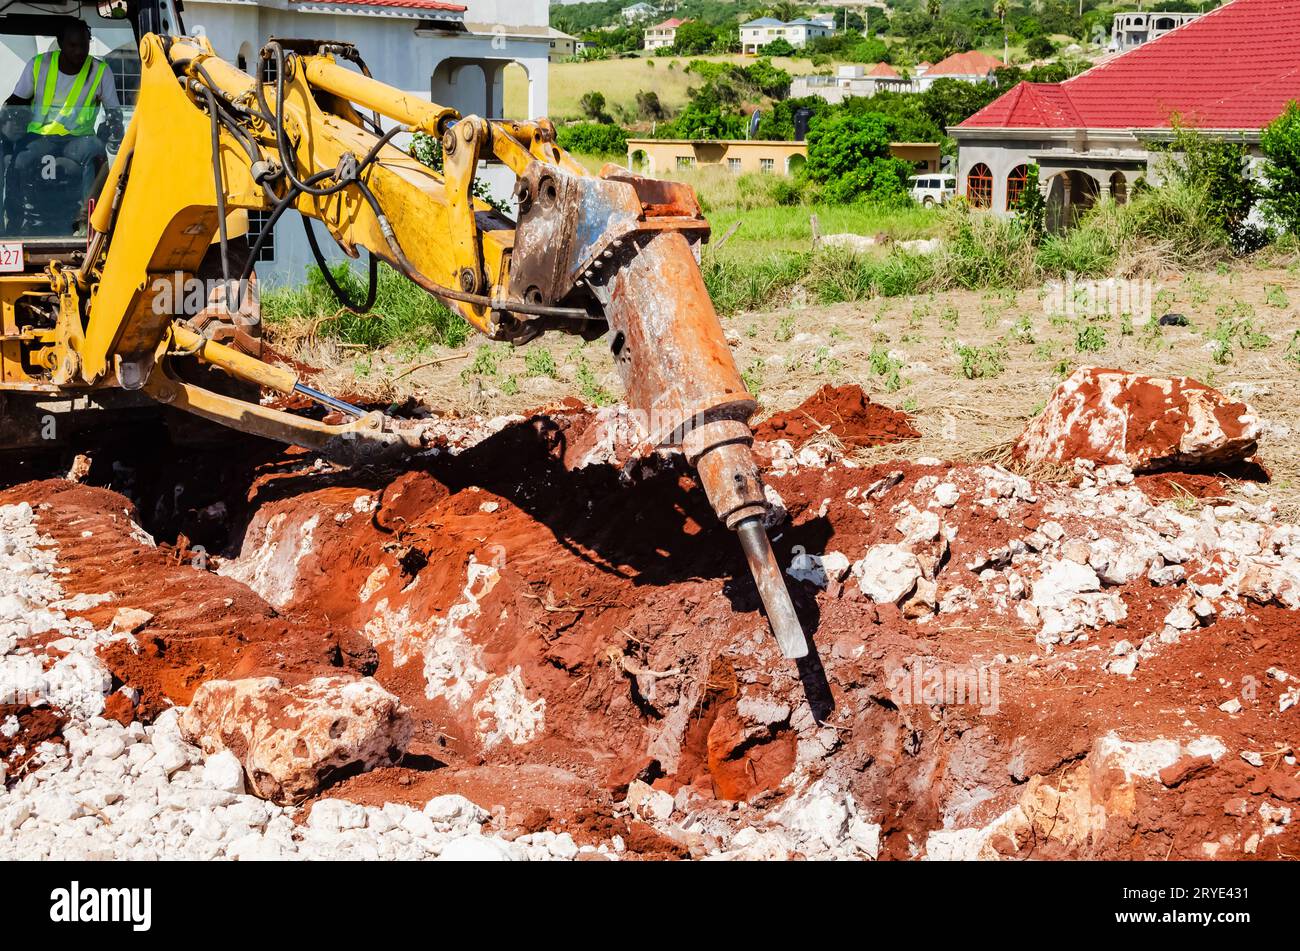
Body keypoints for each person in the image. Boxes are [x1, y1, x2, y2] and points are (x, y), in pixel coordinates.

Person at [4, 19, 123, 223]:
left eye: (84, 45)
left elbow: (113, 111)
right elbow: (15, 101)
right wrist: (10, 118)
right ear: (60, 43)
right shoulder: (38, 65)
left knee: (96, 155)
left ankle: (87, 222)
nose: (79, 51)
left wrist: (113, 127)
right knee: (18, 162)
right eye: (73, 45)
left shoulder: (100, 71)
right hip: (40, 136)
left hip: (80, 138)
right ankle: (15, 223)